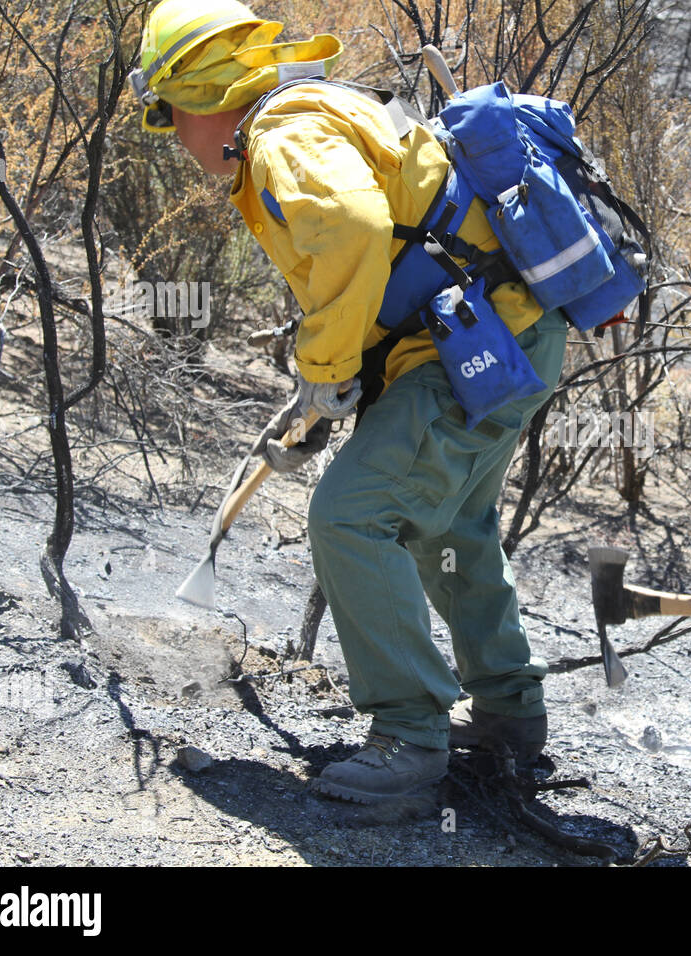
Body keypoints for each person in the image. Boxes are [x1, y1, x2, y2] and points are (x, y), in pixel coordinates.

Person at [133, 0, 565, 803]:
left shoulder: (282, 131)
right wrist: (336, 384)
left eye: (165, 114)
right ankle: (507, 712)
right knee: (449, 524)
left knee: (349, 515)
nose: (172, 137)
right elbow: (396, 255)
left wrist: (325, 370)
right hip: (502, 335)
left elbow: (356, 230)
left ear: (198, 98)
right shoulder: (317, 107)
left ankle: (408, 741)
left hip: (473, 347)